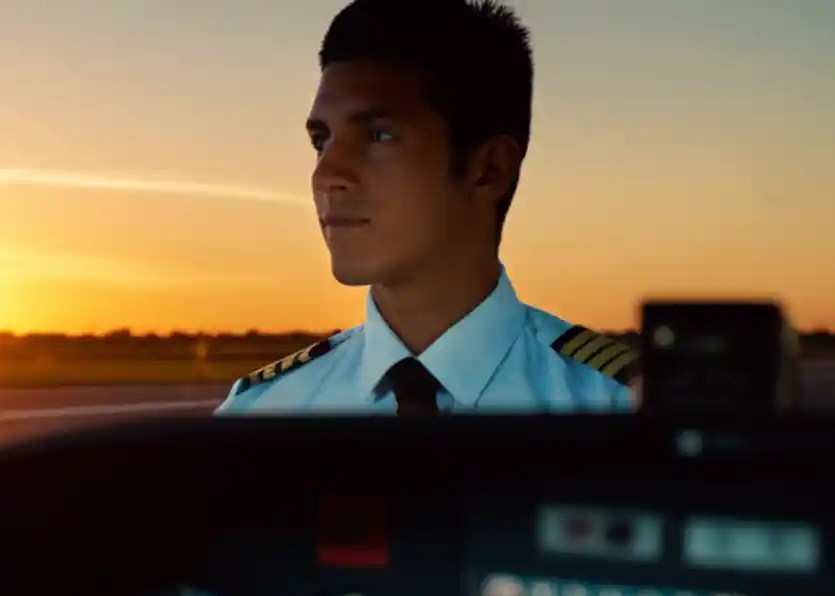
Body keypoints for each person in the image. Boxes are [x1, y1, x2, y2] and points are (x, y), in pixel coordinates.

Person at [215, 0, 638, 416]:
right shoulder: (262, 414)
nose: (327, 174)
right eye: (321, 140)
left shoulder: (622, 413)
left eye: (379, 135)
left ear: (489, 169)